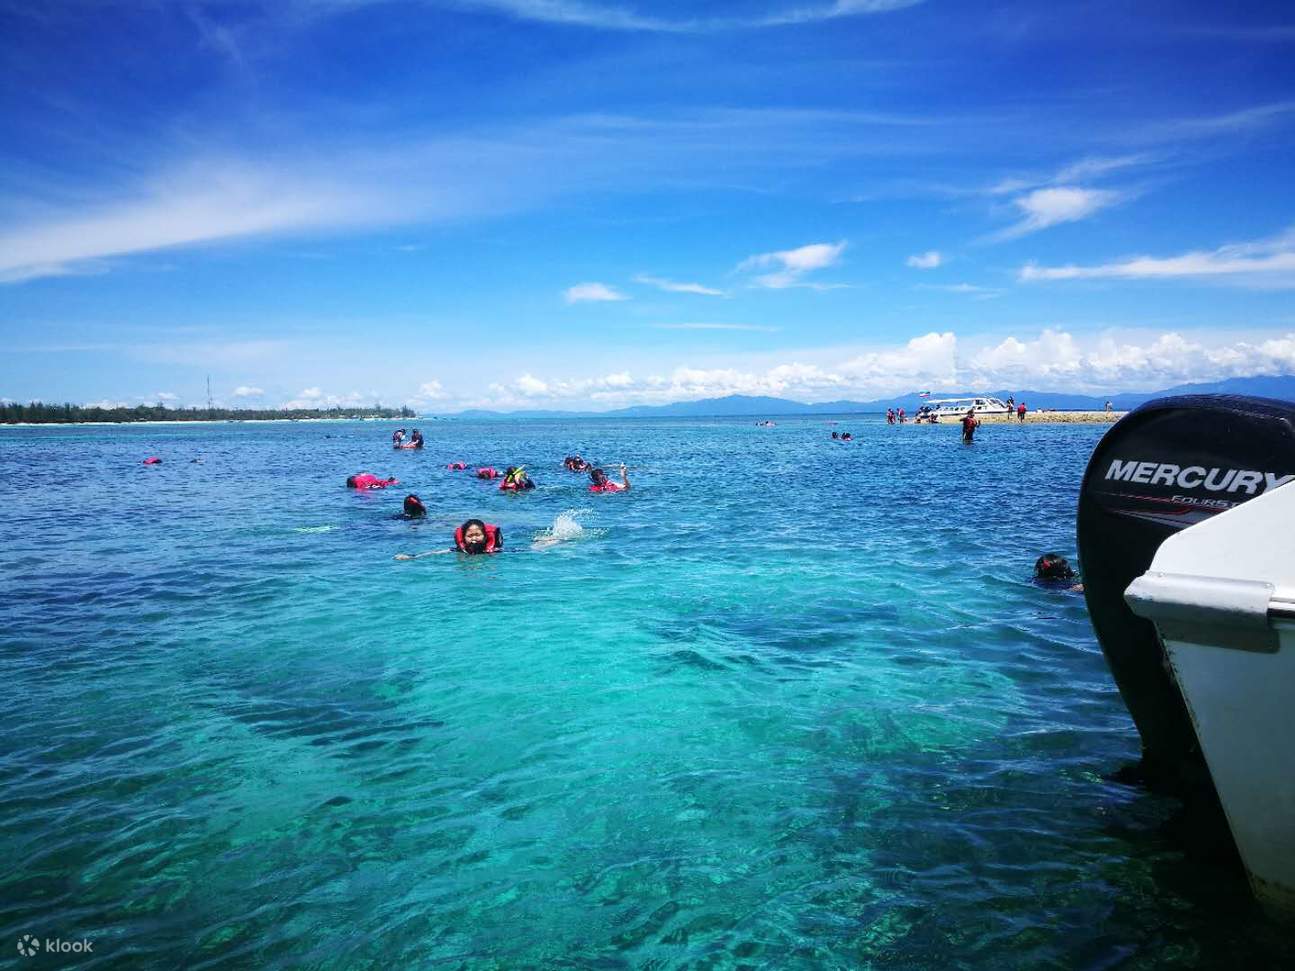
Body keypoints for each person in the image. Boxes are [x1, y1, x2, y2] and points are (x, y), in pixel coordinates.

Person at [394, 519, 503, 559]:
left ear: (485, 536)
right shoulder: (459, 550)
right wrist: (413, 557)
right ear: (463, 538)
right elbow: (434, 553)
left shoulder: (494, 551)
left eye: (478, 535)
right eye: (469, 536)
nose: (474, 538)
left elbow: (517, 551)